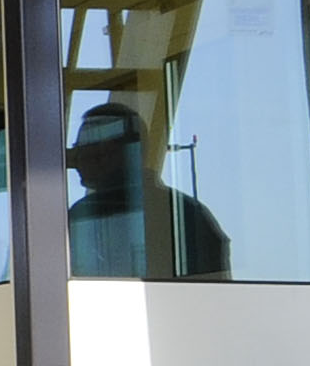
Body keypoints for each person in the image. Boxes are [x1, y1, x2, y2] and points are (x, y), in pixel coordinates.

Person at [63, 100, 230, 277]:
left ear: (108, 155)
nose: (77, 160)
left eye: (83, 150)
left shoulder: (82, 217)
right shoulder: (186, 213)